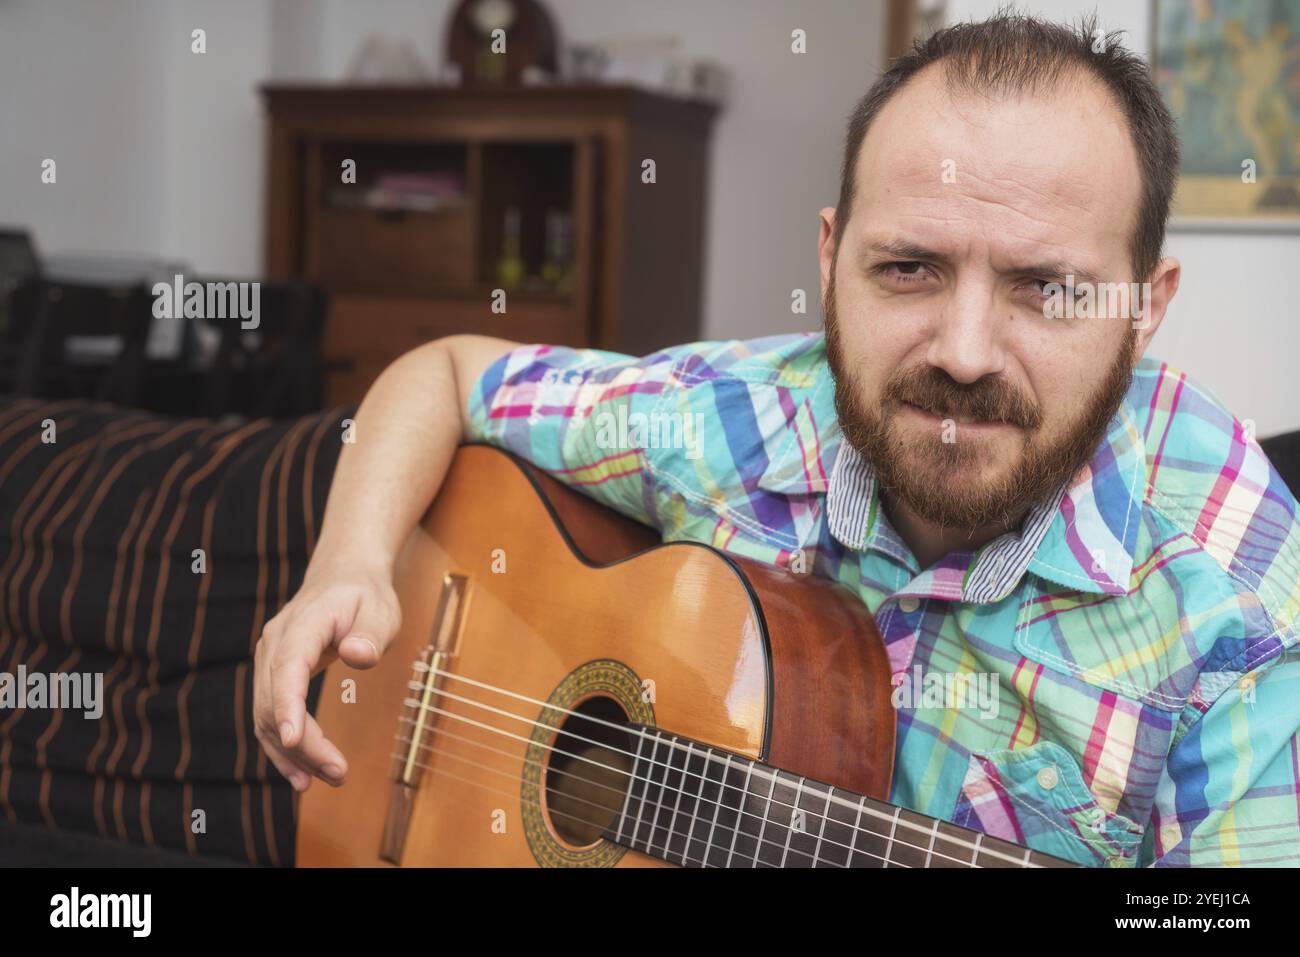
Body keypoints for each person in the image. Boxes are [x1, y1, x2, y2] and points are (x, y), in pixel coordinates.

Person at [252, 14, 1300, 867]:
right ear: (831, 256)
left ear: (1142, 307)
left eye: (1047, 288)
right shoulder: (739, 415)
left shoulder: (1246, 605)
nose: (965, 352)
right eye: (908, 270)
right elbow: (441, 374)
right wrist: (345, 569)